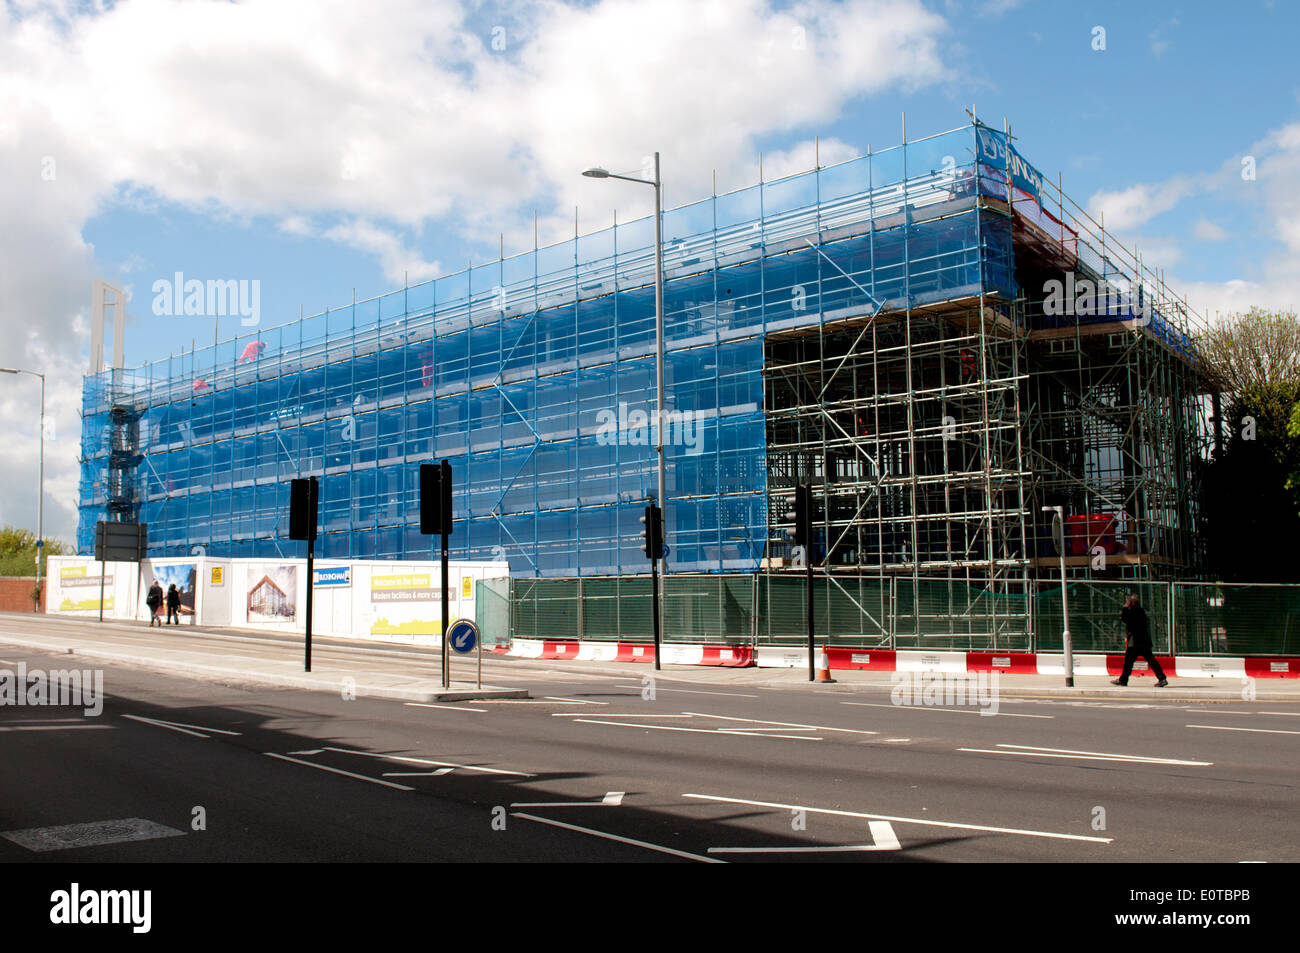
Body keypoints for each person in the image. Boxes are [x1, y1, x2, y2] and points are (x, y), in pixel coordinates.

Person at [1112, 591, 1168, 687]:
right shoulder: (1139, 610)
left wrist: (1125, 606)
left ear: (1131, 602)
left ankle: (1123, 680)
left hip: (1135, 641)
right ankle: (1161, 678)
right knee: (1149, 660)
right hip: (1143, 641)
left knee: (1129, 662)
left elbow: (1125, 618)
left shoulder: (1134, 610)